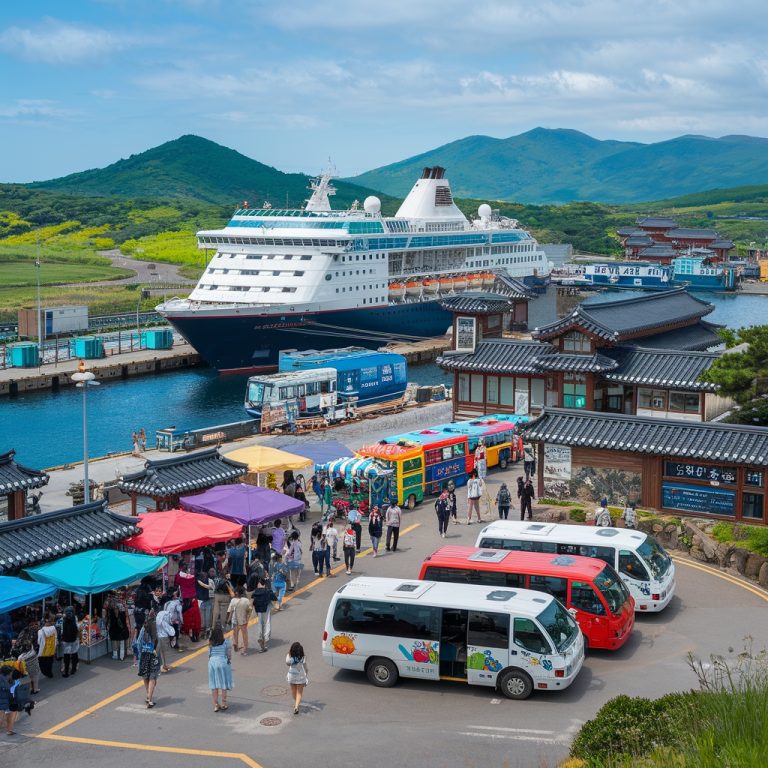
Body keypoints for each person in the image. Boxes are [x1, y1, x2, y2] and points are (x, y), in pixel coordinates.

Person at [207, 623, 233, 712]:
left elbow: (209, 654)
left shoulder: (210, 642)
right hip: (222, 662)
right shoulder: (226, 642)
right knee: (223, 684)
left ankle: (215, 705)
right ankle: (224, 703)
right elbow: (229, 655)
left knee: (214, 685)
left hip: (212, 663)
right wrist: (228, 660)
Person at [137, 610, 160, 708]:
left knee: (145, 676)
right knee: (153, 677)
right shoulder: (156, 628)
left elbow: (138, 642)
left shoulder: (143, 628)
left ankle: (148, 696)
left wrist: (140, 653)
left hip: (144, 654)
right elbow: (159, 643)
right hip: (154, 655)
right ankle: (149, 699)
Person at [251, 579, 277, 652]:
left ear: (258, 584)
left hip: (258, 610)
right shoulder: (268, 591)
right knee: (267, 623)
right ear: (264, 584)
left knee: (260, 624)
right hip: (266, 609)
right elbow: (275, 598)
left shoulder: (255, 592)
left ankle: (260, 637)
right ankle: (265, 639)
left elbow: (252, 601)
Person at [226, 585, 252, 655]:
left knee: (235, 633)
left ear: (236, 593)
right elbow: (249, 609)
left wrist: (228, 620)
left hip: (235, 619)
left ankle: (235, 643)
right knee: (244, 634)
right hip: (243, 619)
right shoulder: (246, 600)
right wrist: (248, 616)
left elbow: (229, 611)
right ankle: (244, 649)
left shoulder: (233, 600)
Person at [105, 593, 130, 660]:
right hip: (117, 628)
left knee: (118, 641)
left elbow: (126, 617)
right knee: (118, 641)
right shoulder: (114, 612)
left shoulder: (114, 612)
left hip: (118, 628)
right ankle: (118, 655)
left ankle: (118, 655)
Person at [285, 641, 309, 715]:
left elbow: (287, 663)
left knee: (293, 691)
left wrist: (289, 653)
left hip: (291, 675)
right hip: (300, 676)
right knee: (299, 692)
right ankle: (296, 706)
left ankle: (296, 703)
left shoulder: (290, 657)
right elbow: (306, 668)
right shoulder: (303, 657)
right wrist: (306, 675)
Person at [59, 607, 80, 678]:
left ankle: (66, 672)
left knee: (66, 657)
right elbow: (78, 627)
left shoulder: (62, 619)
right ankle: (73, 669)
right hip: (74, 639)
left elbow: (61, 630)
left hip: (66, 640)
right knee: (74, 654)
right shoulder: (75, 618)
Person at [155, 604, 175, 673]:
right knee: (159, 652)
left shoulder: (159, 619)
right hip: (163, 637)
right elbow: (169, 629)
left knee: (161, 652)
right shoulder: (163, 621)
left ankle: (164, 665)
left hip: (160, 636)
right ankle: (159, 666)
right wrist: (173, 634)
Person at [196, 567, 215, 639]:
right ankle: (203, 632)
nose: (204, 578)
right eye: (202, 576)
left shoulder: (209, 581)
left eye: (205, 576)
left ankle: (207, 631)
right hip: (201, 602)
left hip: (208, 601)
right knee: (202, 619)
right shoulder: (198, 582)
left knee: (208, 618)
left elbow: (211, 588)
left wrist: (201, 584)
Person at [1, 665, 17, 736]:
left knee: (9, 714)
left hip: (6, 701)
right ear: (8, 674)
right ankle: (8, 730)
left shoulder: (8, 680)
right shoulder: (2, 681)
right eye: (11, 673)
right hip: (2, 701)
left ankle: (9, 730)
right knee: (1, 719)